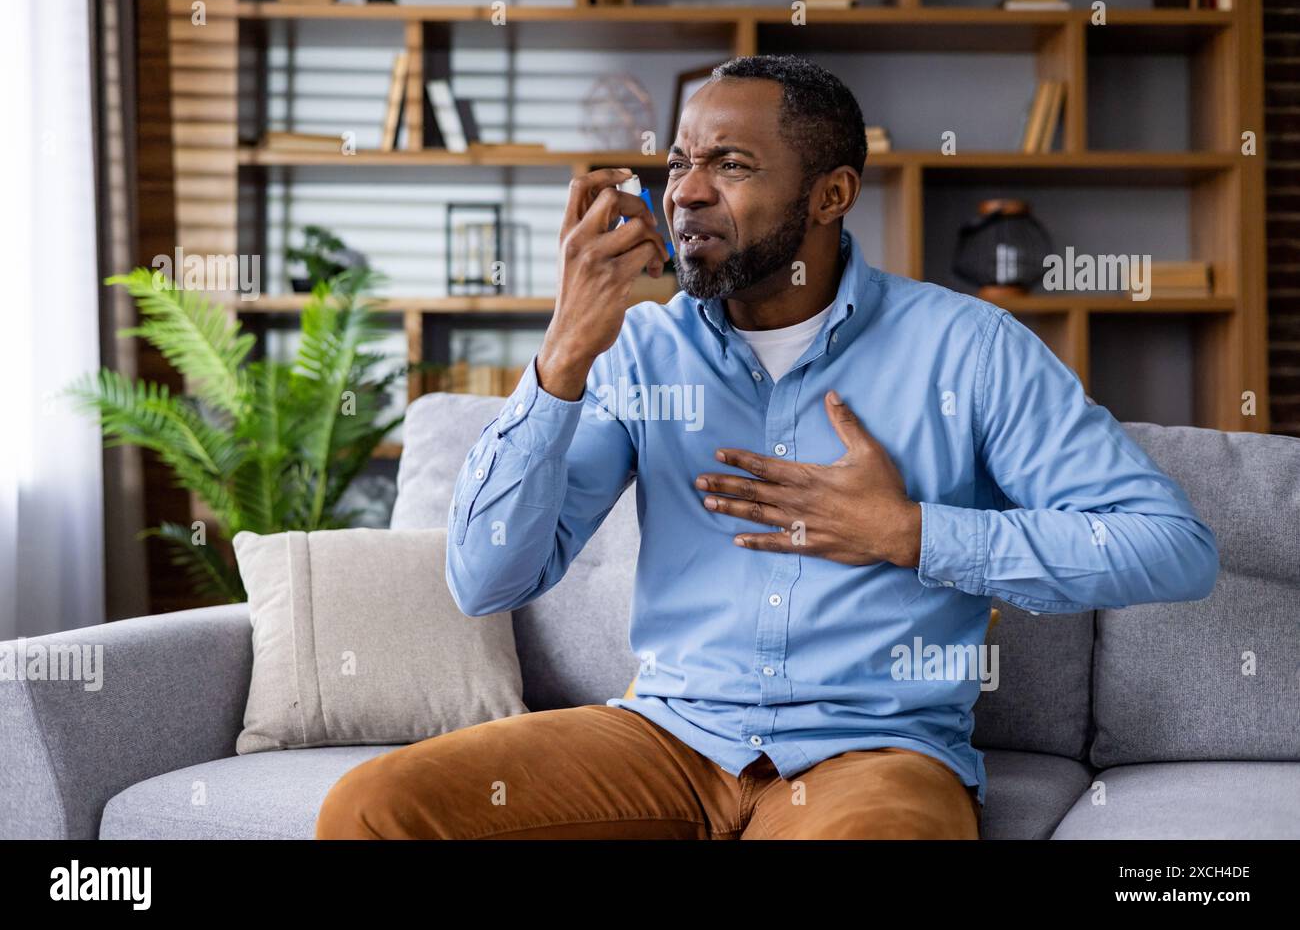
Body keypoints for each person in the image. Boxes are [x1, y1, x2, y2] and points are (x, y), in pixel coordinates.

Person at [316, 54, 1219, 840]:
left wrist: (910, 533)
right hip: (667, 736)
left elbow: (1169, 546)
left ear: (831, 195)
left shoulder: (970, 350)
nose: (686, 191)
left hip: (873, 750)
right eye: (678, 163)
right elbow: (485, 580)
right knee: (371, 810)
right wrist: (560, 360)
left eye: (731, 164)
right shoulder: (639, 351)